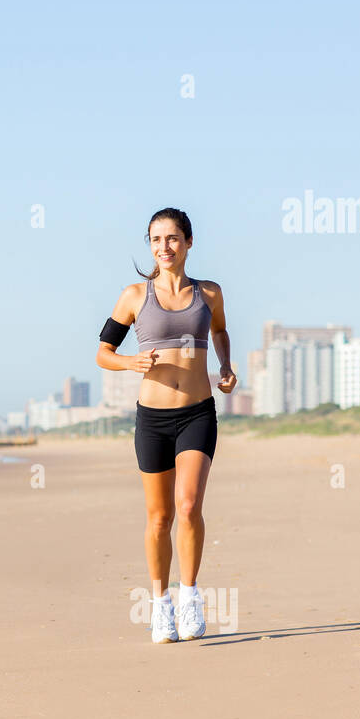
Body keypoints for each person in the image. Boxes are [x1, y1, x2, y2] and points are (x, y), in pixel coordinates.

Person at [95, 208, 237, 643]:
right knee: (160, 517)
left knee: (190, 506)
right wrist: (129, 363)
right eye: (156, 240)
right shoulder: (135, 296)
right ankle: (160, 607)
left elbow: (220, 332)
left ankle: (190, 597)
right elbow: (103, 351)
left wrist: (226, 366)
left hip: (197, 411)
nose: (164, 247)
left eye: (172, 239)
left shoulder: (208, 293)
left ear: (188, 243)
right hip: (152, 419)